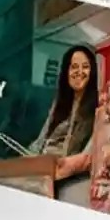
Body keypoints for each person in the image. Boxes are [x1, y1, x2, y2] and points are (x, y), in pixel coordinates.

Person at [28, 45, 100, 205]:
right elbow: (41, 141)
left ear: (93, 72)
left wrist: (59, 167)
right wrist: (28, 158)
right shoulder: (60, 104)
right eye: (73, 67)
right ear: (66, 72)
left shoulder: (98, 107)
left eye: (85, 67)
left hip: (64, 176)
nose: (79, 72)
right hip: (42, 169)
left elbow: (89, 155)